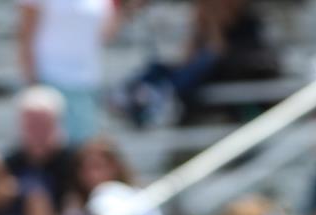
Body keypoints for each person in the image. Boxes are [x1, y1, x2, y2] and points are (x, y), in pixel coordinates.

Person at [114, 0, 281, 129]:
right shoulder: (203, 24)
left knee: (203, 62)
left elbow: (218, 51)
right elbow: (187, 57)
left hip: (229, 73)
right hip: (202, 74)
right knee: (159, 66)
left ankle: (162, 94)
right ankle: (136, 93)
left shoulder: (246, 26)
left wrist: (213, 25)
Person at [16, 0, 119, 144]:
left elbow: (104, 33)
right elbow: (25, 35)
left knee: (84, 149)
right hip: (49, 81)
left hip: (88, 84)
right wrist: (34, 86)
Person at [3, 86, 79, 215]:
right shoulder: (6, 165)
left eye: (43, 124)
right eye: (31, 125)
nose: (37, 131)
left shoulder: (77, 161)